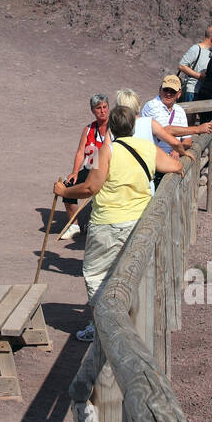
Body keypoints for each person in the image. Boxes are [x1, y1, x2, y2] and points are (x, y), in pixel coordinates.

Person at [54, 106, 184, 342]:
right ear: (133, 127)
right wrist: (179, 156)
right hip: (140, 222)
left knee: (96, 274)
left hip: (108, 223)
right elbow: (174, 166)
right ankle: (133, 325)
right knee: (132, 273)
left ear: (111, 128)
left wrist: (64, 190)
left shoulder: (108, 151)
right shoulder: (146, 147)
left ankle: (100, 328)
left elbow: (91, 187)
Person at [60, 94, 111, 240]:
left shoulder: (115, 127)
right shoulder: (88, 129)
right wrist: (75, 172)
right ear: (93, 111)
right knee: (67, 187)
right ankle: (74, 225)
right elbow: (80, 152)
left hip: (108, 171)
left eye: (104, 107)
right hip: (91, 169)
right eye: (98, 108)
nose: (102, 111)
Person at [140, 75, 212, 155]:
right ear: (160, 90)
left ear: (179, 94)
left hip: (167, 160)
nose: (168, 94)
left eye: (172, 91)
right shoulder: (152, 105)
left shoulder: (180, 111)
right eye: (166, 90)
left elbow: (187, 140)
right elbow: (166, 130)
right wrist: (197, 129)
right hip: (150, 156)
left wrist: (178, 150)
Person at [178, 26, 212, 103]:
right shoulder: (196, 49)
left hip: (204, 91)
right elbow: (182, 66)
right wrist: (199, 76)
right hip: (192, 90)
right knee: (190, 114)